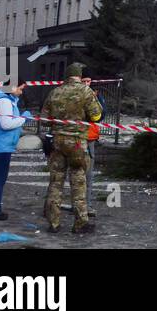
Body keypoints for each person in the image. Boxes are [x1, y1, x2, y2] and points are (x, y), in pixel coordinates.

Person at [41, 63, 103, 234]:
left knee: (56, 181)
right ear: (79, 75)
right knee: (78, 181)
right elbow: (96, 116)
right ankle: (80, 222)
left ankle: (53, 222)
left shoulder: (55, 92)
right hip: (76, 142)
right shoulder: (85, 91)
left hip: (57, 141)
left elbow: (44, 120)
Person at [0, 82, 32, 221]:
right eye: (20, 88)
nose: (21, 92)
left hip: (2, 145)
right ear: (12, 87)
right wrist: (24, 118)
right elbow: (6, 124)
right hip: (1, 145)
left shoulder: (6, 100)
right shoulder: (4, 101)